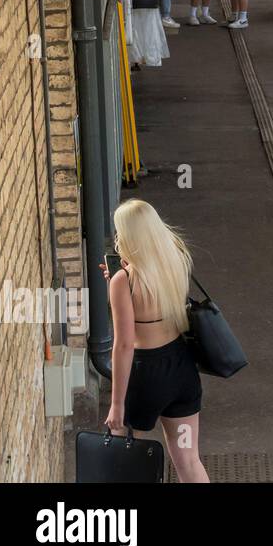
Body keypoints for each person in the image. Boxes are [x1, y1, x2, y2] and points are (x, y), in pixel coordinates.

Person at [102, 199, 209, 483]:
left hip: (145, 377)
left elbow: (124, 345)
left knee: (125, 458)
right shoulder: (175, 259)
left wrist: (117, 405)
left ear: (128, 236)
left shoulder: (123, 281)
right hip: (180, 370)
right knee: (189, 459)